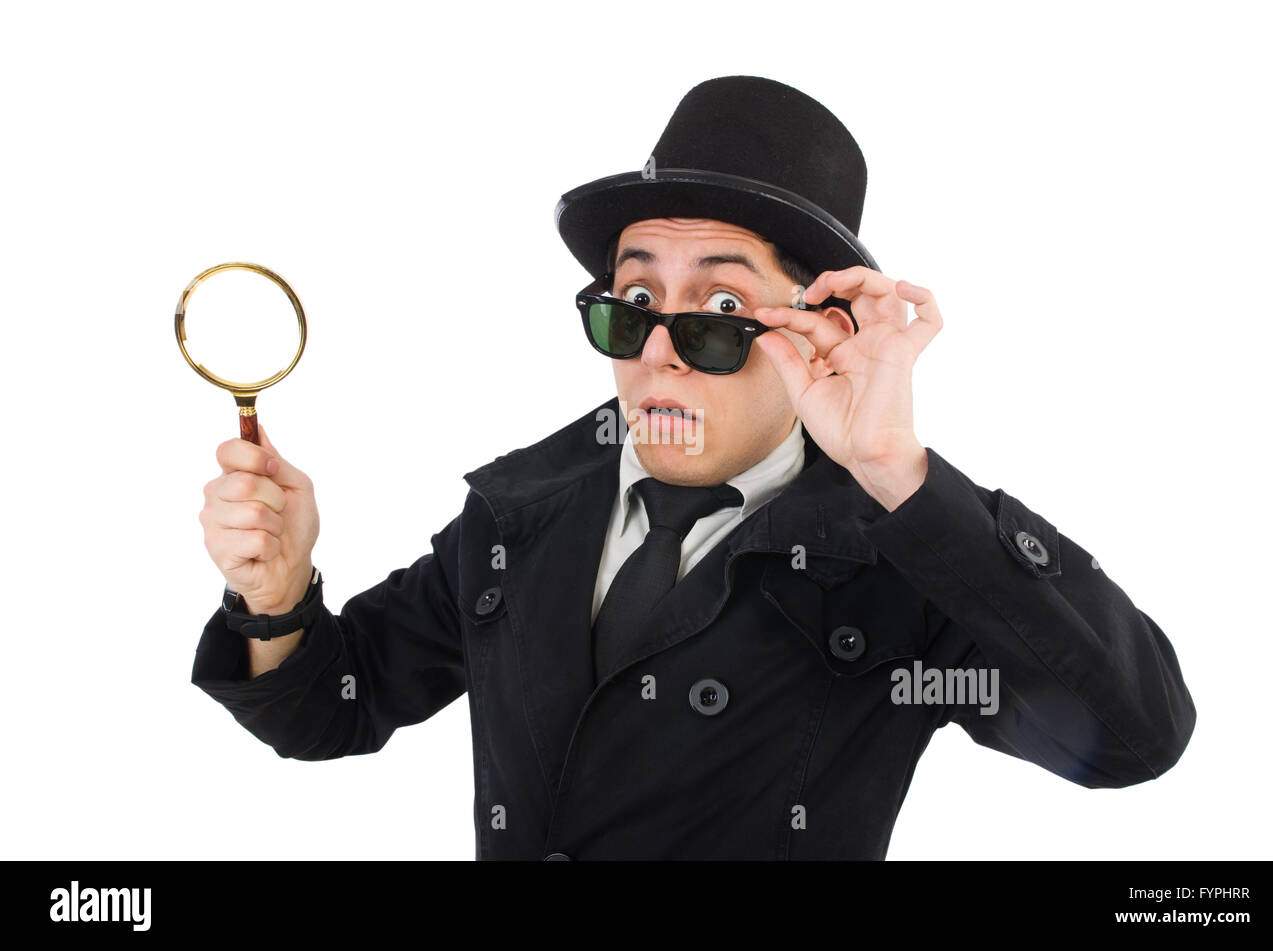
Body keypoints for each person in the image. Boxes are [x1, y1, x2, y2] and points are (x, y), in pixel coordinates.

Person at [193, 75, 1196, 860]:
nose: (658, 352)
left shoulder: (901, 559)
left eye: (719, 313)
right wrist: (274, 600)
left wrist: (898, 469)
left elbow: (1130, 735)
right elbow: (333, 708)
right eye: (630, 303)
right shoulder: (517, 519)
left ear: (822, 326)